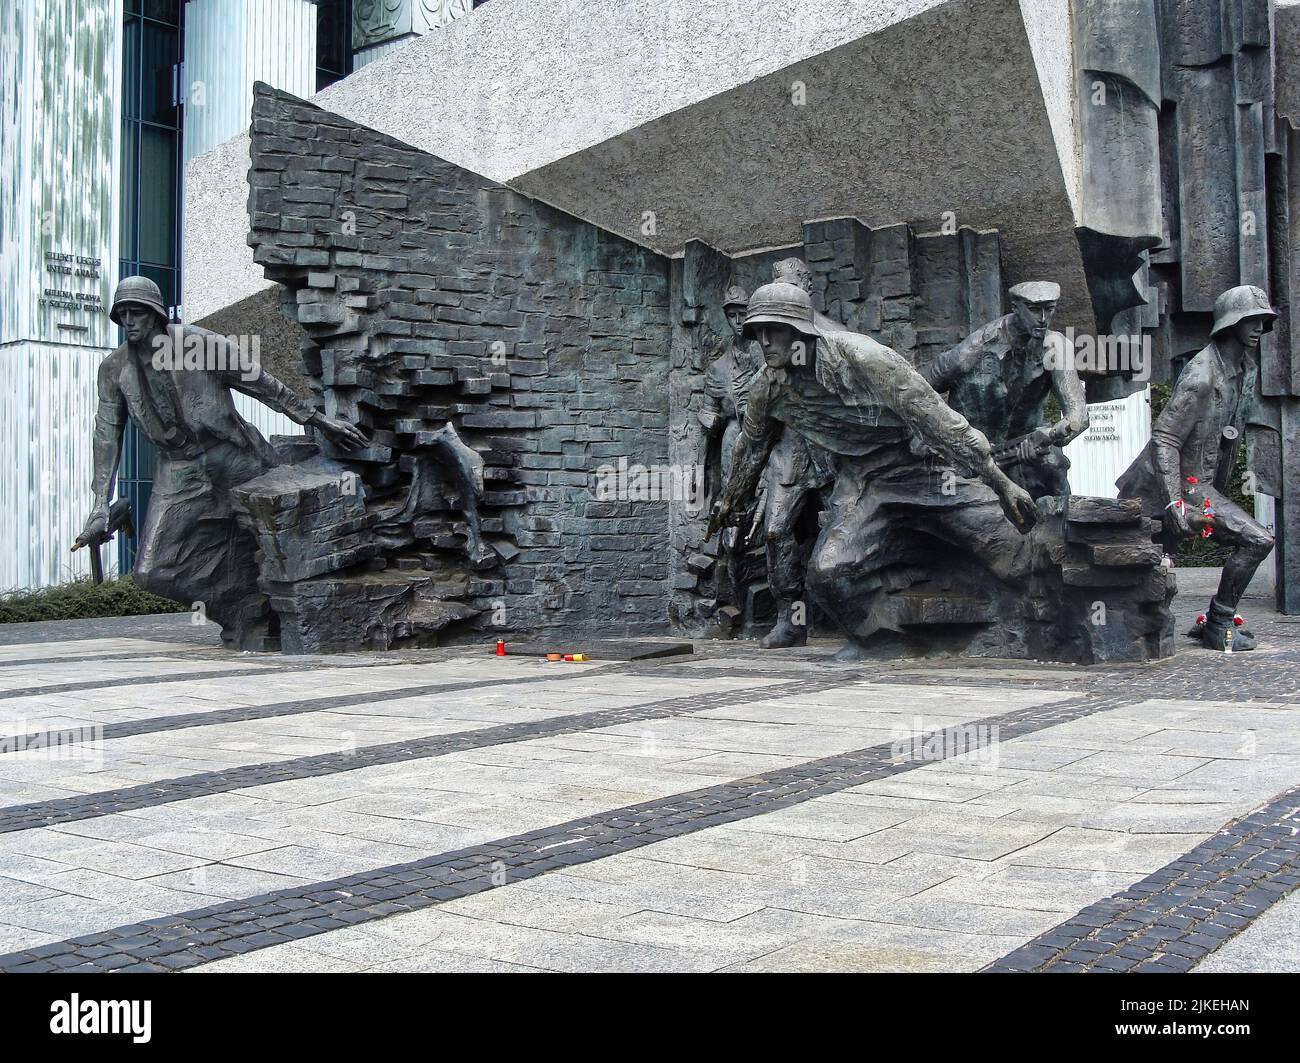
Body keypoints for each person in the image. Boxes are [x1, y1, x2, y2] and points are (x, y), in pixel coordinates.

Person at [708, 281, 1038, 660]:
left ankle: (1041, 621)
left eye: (775, 330)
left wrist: (1000, 482)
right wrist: (729, 500)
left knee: (1011, 552)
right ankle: (881, 643)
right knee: (828, 572)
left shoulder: (864, 359)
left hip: (923, 465)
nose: (764, 341)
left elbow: (940, 420)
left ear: (802, 331)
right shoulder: (768, 388)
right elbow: (750, 447)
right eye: (758, 332)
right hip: (864, 480)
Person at [79, 276, 368, 648]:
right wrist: (100, 503)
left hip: (233, 456)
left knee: (274, 540)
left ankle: (289, 615)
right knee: (151, 572)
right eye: (123, 313)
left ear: (155, 314)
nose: (130, 320)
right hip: (178, 469)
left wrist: (318, 420)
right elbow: (106, 433)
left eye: (137, 312)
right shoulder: (114, 369)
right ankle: (243, 608)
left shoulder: (199, 343)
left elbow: (262, 383)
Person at [1117, 284, 1277, 651]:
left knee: (1147, 569)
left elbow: (1228, 434)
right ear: (1229, 323)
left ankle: (1214, 620)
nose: (1258, 328)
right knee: (1258, 540)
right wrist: (1175, 503)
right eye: (1250, 320)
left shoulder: (1244, 369)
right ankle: (1218, 623)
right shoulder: (1201, 376)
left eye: (1262, 321)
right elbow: (1166, 438)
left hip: (1199, 484)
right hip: (1169, 486)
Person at [923, 281, 1087, 498]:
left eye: (1050, 309)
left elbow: (1079, 415)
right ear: (1015, 307)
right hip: (971, 455)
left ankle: (1061, 525)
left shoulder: (1057, 347)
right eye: (1034, 309)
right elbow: (922, 387)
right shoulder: (978, 346)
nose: (1043, 319)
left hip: (1024, 450)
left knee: (1053, 464)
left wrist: (1049, 435)